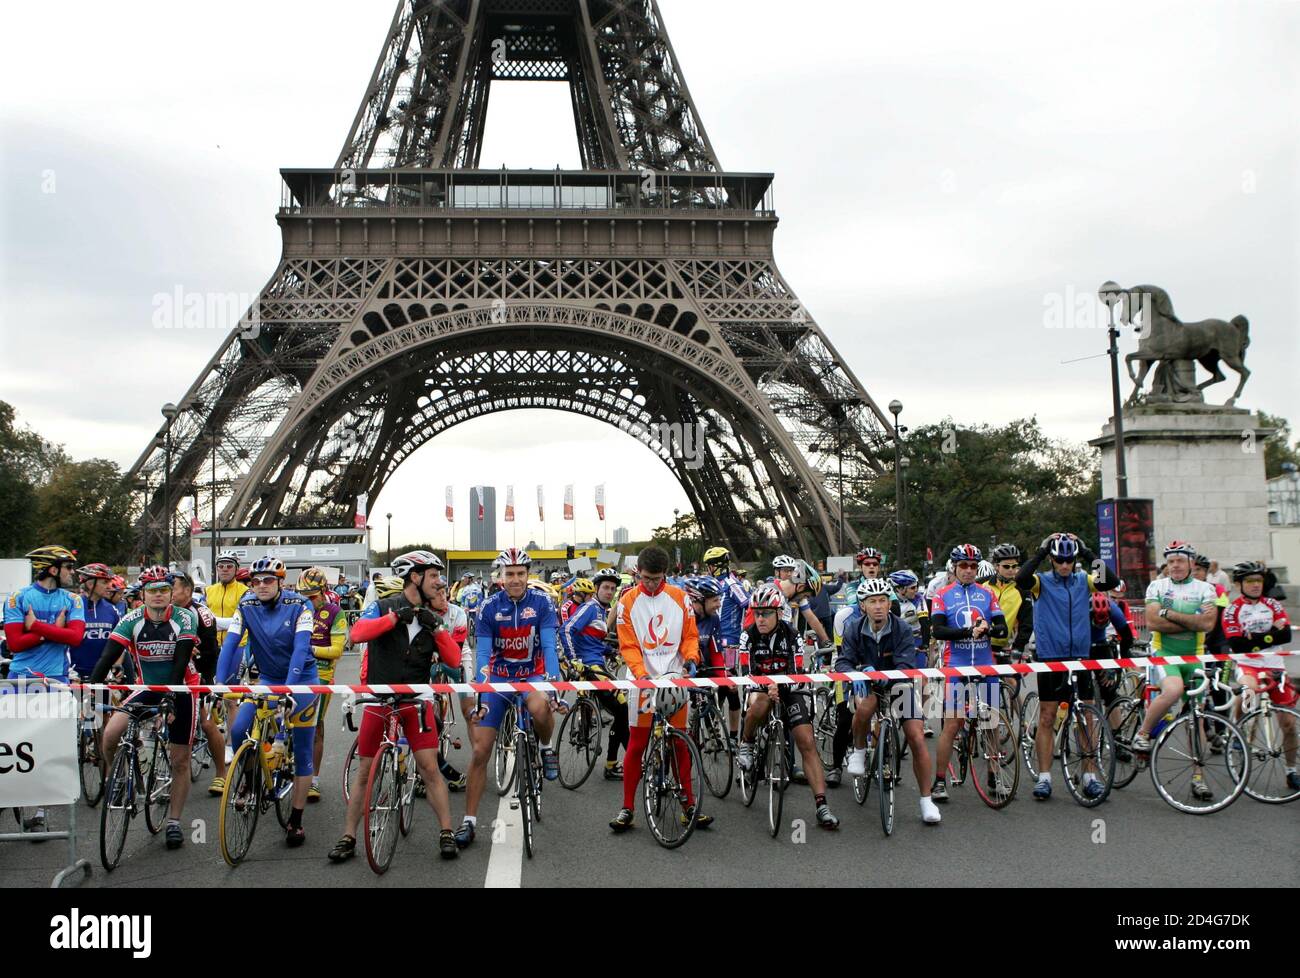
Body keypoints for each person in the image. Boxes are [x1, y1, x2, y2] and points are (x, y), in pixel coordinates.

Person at [331, 551, 462, 862]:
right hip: (380, 697)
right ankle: (348, 836)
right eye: (433, 576)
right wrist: (393, 618)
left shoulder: (436, 614)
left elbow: (455, 663)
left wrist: (438, 629)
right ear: (414, 577)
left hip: (416, 700)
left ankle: (446, 831)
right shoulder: (383, 606)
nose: (439, 582)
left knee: (430, 768)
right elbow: (357, 634)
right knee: (364, 773)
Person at [456, 548, 560, 849]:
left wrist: (552, 686)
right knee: (480, 751)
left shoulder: (542, 603)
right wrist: (482, 692)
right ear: (500, 576)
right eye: (509, 574)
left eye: (520, 574)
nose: (515, 579)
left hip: (532, 675)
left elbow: (550, 648)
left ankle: (545, 746)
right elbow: (484, 655)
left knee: (540, 706)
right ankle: (469, 822)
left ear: (528, 575)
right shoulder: (490, 606)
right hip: (500, 678)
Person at [89, 566, 199, 850]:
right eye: (153, 591)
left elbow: (181, 661)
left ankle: (173, 822)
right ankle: (118, 777)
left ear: (171, 593)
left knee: (180, 759)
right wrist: (91, 688)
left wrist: (171, 697)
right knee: (111, 734)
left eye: (164, 590)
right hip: (147, 687)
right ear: (143, 594)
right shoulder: (131, 619)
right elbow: (107, 656)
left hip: (182, 687)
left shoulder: (185, 617)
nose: (159, 595)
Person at [215, 557, 319, 847]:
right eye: (256, 581)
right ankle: (249, 778)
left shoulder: (300, 605)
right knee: (238, 730)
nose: (261, 585)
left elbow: (301, 648)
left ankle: (296, 820)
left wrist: (289, 686)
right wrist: (220, 683)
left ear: (281, 582)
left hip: (302, 679)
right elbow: (231, 643)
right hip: (267, 679)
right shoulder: (246, 605)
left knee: (301, 750)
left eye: (269, 580)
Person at [609, 545, 708, 832]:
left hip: (674, 680)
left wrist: (691, 658)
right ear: (638, 572)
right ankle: (627, 807)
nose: (651, 584)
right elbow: (627, 645)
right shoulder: (627, 602)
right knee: (638, 744)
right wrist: (642, 676)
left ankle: (688, 805)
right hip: (643, 684)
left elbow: (690, 635)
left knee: (679, 743)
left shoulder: (679, 598)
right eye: (646, 578)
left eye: (656, 578)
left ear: (666, 573)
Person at [1015, 533, 1120, 801]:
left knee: (1087, 717)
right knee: (1048, 717)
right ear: (1052, 560)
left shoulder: (1084, 580)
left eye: (1069, 560)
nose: (1064, 565)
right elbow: (1021, 579)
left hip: (1081, 656)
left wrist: (1086, 551)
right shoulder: (1042, 582)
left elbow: (1112, 581)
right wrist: (1040, 551)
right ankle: (1044, 777)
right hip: (1051, 657)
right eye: (1060, 560)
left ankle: (1090, 776)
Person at [839, 578, 940, 824]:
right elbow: (843, 661)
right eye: (872, 601)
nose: (878, 606)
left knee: (916, 736)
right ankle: (860, 752)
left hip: (898, 683)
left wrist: (885, 677)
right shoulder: (853, 628)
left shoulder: (902, 628)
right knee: (865, 707)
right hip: (868, 683)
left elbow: (906, 664)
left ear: (889, 603)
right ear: (863, 606)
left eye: (882, 600)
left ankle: (927, 800)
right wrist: (856, 673)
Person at [737, 584, 838, 828]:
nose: (760, 618)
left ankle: (822, 805)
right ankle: (747, 743)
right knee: (759, 703)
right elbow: (745, 674)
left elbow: (798, 673)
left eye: (766, 613)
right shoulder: (747, 636)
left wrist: (780, 688)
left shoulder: (793, 636)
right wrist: (766, 686)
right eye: (757, 613)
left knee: (806, 740)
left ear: (779, 613)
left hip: (790, 688)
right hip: (760, 688)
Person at [3, 545, 86, 834]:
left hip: (55, 680)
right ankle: (10, 796)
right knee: (12, 743)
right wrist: (52, 630)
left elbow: (75, 637)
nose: (72, 573)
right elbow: (14, 644)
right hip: (19, 680)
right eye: (68, 567)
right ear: (53, 569)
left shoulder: (74, 599)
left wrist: (35, 626)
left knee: (49, 747)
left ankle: (39, 812)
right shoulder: (18, 597)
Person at [1129, 541, 1220, 798]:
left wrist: (1170, 613)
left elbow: (1208, 624)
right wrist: (1192, 621)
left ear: (1191, 562)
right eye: (1171, 562)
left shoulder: (1206, 588)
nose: (1175, 566)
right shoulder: (1157, 586)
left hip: (1195, 656)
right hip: (1165, 653)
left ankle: (1198, 776)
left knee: (1196, 721)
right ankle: (1144, 734)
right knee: (1173, 690)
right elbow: (1154, 622)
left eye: (1180, 561)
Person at [930, 544, 1008, 802]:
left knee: (992, 722)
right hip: (958, 665)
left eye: (973, 566)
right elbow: (938, 631)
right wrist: (967, 632)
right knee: (952, 724)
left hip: (986, 664)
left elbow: (1002, 629)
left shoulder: (987, 594)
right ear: (954, 567)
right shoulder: (943, 595)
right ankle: (939, 781)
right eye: (963, 566)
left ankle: (994, 775)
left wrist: (988, 629)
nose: (969, 570)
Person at [1222, 561, 1297, 789]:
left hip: (1275, 664)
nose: (1255, 585)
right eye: (1249, 581)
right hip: (1247, 664)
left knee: (1290, 725)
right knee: (1249, 691)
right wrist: (1269, 635)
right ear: (1238, 584)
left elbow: (1285, 637)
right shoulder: (1232, 609)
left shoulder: (1273, 604)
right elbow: (1236, 644)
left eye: (1258, 581)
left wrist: (1254, 640)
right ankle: (1236, 730)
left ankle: (1291, 770)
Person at [561, 571, 630, 780]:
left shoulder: (602, 610)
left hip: (597, 666)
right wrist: (574, 660)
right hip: (589, 670)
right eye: (605, 588)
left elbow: (592, 642)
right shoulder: (590, 608)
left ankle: (619, 762)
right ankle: (622, 762)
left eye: (612, 588)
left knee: (622, 711)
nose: (609, 592)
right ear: (597, 589)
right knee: (623, 708)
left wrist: (611, 652)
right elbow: (566, 630)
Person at [172, 572, 227, 797]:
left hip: (202, 669)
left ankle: (221, 773)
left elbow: (212, 651)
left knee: (205, 722)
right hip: (175, 672)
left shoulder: (201, 613)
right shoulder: (166, 611)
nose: (167, 592)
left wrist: (206, 680)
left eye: (172, 588)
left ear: (186, 590)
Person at [293, 568, 346, 803]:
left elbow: (336, 650)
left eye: (312, 596)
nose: (307, 600)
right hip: (293, 670)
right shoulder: (295, 608)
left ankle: (313, 778)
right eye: (303, 595)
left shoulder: (335, 612)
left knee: (315, 726)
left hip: (321, 674)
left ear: (324, 592)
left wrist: (309, 650)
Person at [702, 546, 748, 743]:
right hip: (712, 642)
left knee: (729, 690)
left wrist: (746, 633)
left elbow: (748, 605)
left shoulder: (731, 584)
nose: (708, 569)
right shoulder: (713, 584)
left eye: (710, 565)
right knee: (713, 688)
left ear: (716, 566)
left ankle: (731, 736)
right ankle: (714, 727)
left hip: (730, 645)